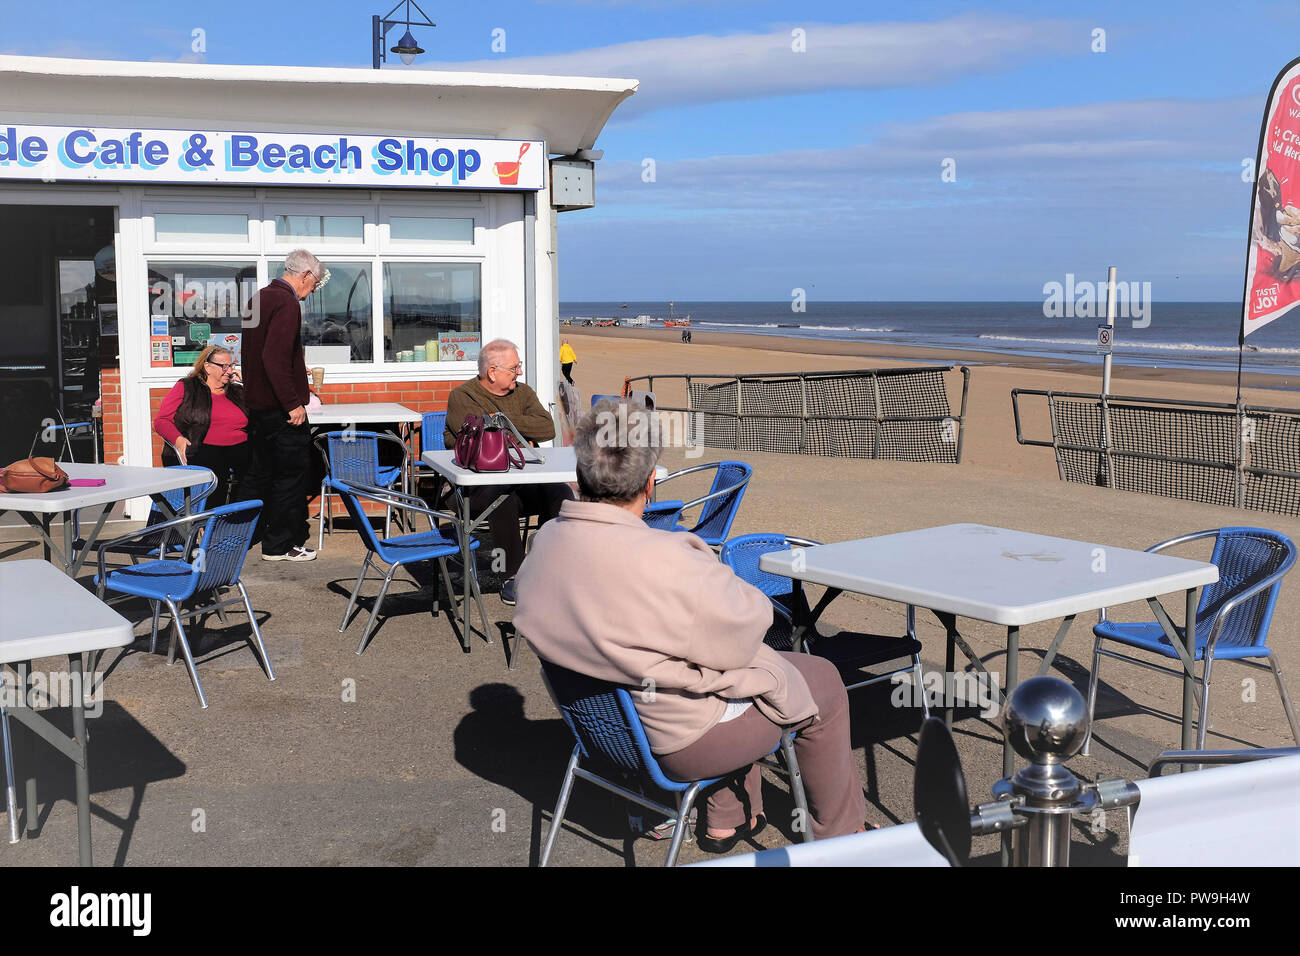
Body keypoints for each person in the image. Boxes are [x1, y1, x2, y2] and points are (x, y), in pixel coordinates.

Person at [515, 399, 866, 849]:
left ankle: (728, 818)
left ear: (579, 475)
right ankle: (842, 835)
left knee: (710, 669)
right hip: (679, 744)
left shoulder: (545, 543)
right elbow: (749, 628)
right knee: (821, 681)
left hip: (602, 732)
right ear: (648, 483)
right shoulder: (665, 557)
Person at [444, 338, 573, 605]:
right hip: (470, 489)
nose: (520, 373)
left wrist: (501, 420)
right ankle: (511, 576)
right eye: (514, 368)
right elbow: (478, 437)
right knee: (504, 499)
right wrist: (505, 426)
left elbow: (546, 428)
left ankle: (548, 565)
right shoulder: (462, 396)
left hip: (521, 478)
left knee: (559, 491)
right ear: (492, 371)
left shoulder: (523, 393)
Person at [237, 248, 328, 562]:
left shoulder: (256, 299)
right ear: (305, 275)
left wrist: (289, 370)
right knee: (291, 476)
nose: (312, 291)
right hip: (281, 409)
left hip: (258, 406)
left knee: (259, 474)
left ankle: (233, 537)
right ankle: (280, 545)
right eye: (314, 283)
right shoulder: (287, 302)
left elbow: (253, 355)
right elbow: (272, 357)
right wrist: (292, 402)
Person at [153, 344, 249, 507]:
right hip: (202, 447)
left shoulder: (237, 391)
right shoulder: (187, 387)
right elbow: (161, 421)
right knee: (214, 472)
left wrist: (248, 384)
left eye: (231, 365)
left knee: (261, 473)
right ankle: (208, 523)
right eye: (224, 366)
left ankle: (245, 521)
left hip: (241, 448)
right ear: (208, 367)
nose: (230, 370)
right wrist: (178, 439)